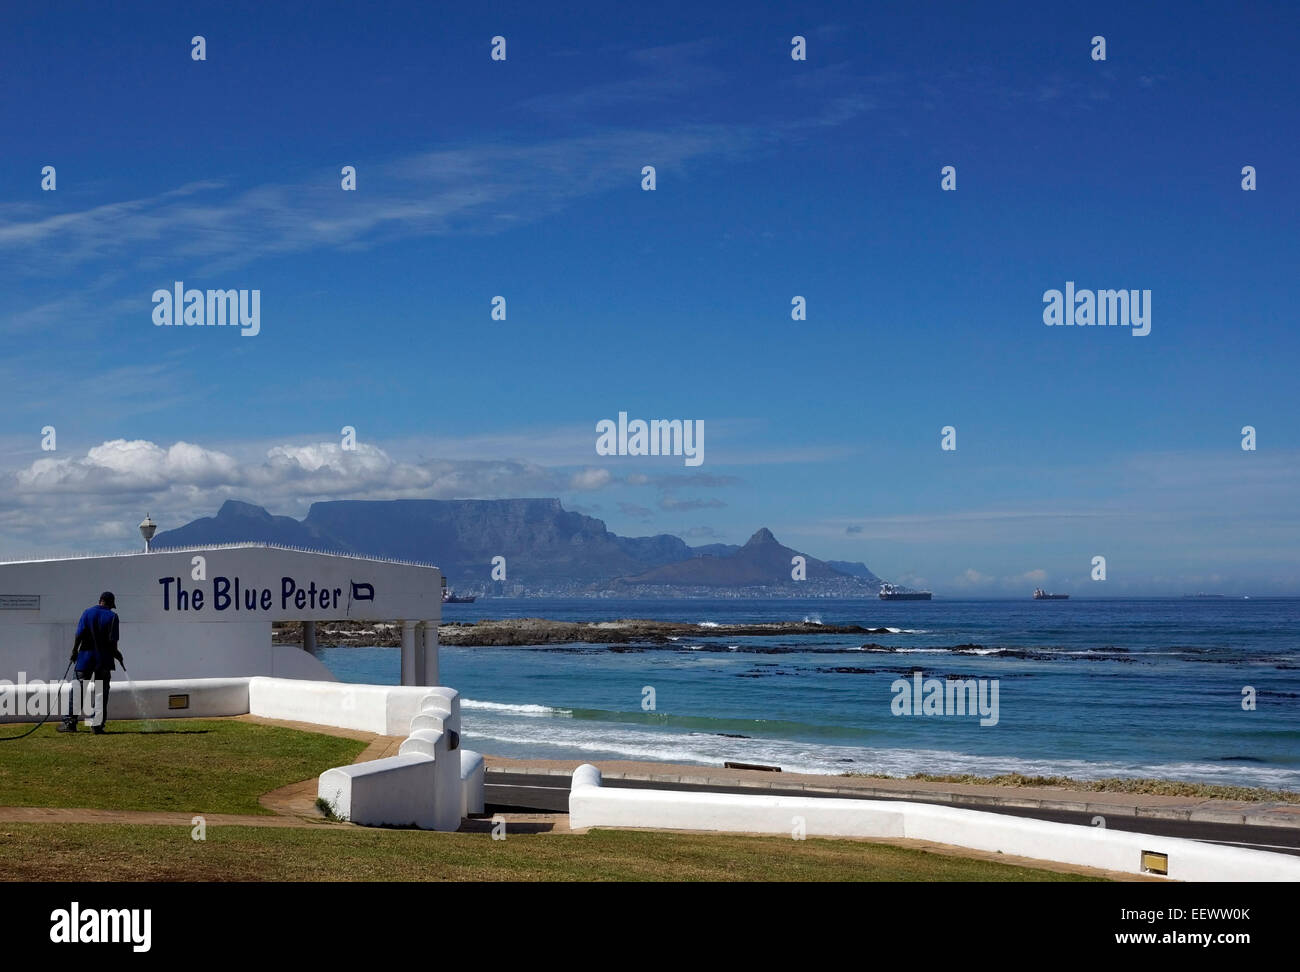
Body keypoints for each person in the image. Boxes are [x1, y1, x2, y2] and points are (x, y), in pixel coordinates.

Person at [58, 592, 123, 734]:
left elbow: (79, 634)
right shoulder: (113, 617)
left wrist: (74, 651)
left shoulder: (87, 613)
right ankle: (96, 725)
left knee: (78, 691)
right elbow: (113, 643)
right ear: (109, 603)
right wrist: (118, 655)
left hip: (85, 659)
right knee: (100, 693)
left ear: (100, 601)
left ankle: (70, 723)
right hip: (103, 661)